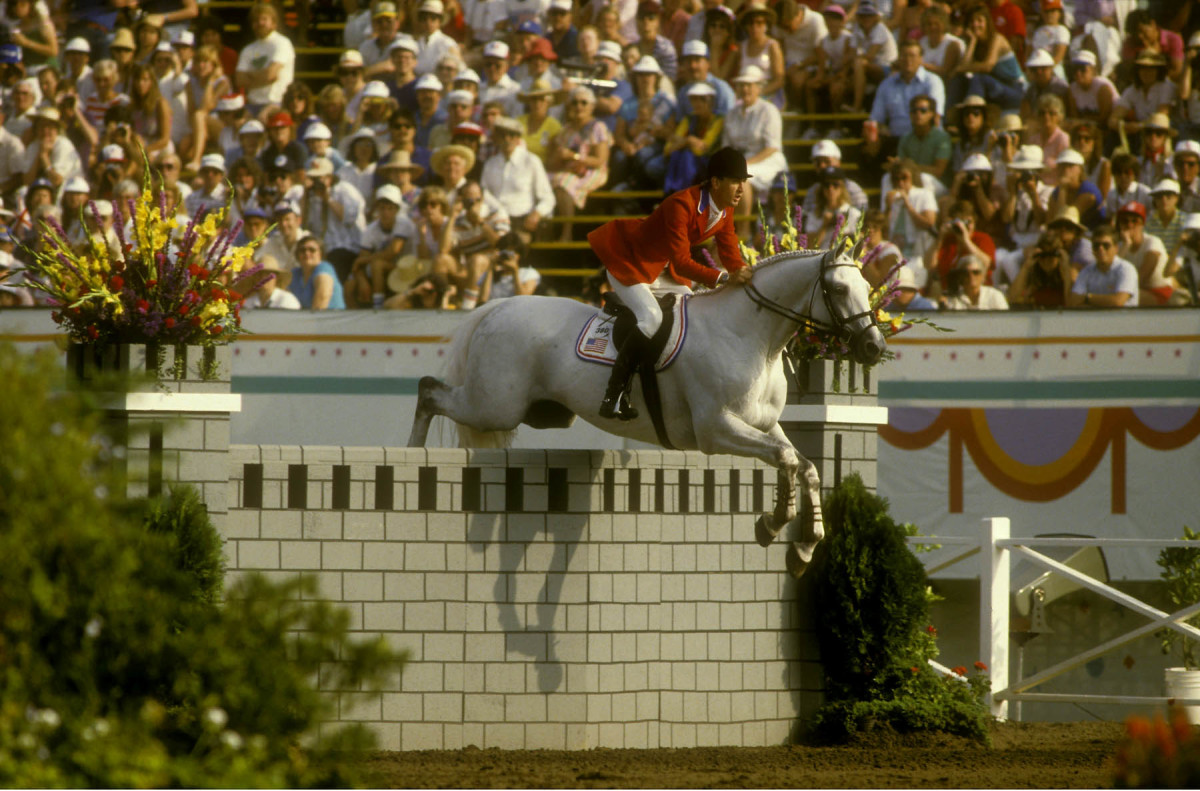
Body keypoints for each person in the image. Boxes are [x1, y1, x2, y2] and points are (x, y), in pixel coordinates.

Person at [586, 146, 752, 420]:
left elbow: (730, 253)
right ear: (716, 182)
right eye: (736, 181)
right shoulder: (681, 204)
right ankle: (614, 394)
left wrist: (747, 276)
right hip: (632, 264)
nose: (741, 189)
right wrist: (723, 278)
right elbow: (684, 261)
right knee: (651, 319)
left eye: (744, 182)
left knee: (692, 313)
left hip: (665, 272)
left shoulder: (724, 210)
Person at [480, 116, 555, 244]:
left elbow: (548, 198)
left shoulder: (531, 161)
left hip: (522, 221)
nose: (507, 139)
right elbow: (484, 194)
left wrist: (536, 214)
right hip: (496, 221)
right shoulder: (490, 164)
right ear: (497, 138)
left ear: (518, 138)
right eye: (503, 135)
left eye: (512, 135)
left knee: (515, 244)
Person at [234, 2, 295, 116]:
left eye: (264, 19)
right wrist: (265, 77)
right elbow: (239, 80)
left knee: (263, 119)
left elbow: (270, 74)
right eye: (256, 20)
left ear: (273, 23)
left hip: (277, 103)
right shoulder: (248, 49)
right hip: (252, 104)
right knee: (240, 124)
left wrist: (251, 76)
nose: (260, 23)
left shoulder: (282, 43)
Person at [1065, 223, 1138, 307]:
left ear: (1116, 248)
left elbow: (1118, 301)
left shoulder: (1126, 269)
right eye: (1096, 245)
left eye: (1106, 245)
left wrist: (1087, 297)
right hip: (1094, 319)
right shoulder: (1086, 271)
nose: (1101, 249)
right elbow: (1074, 301)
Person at [1115, 200, 1171, 306]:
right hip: (1136, 291)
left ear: (1142, 223)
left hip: (1160, 292)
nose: (1129, 225)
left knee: (1122, 299)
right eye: (1125, 221)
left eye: (1135, 221)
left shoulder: (1152, 242)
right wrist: (1126, 245)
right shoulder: (1121, 246)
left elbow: (1142, 277)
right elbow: (1112, 273)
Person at [1009, 233, 1073, 307]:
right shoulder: (1034, 273)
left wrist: (1066, 269)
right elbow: (1012, 298)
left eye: (1051, 256)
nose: (1046, 261)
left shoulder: (1068, 274)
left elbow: (1071, 305)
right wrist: (1026, 266)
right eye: (1043, 256)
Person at [289, 236, 347, 310]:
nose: (307, 253)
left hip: (330, 319)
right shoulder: (295, 273)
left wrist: (309, 321)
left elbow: (322, 297)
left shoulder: (324, 268)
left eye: (312, 250)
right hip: (305, 318)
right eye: (302, 250)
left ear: (320, 253)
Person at [940, 254, 1009, 310]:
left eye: (976, 272)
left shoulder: (995, 296)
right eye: (966, 272)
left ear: (983, 276)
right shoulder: (952, 299)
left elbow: (1005, 322)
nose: (971, 276)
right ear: (960, 276)